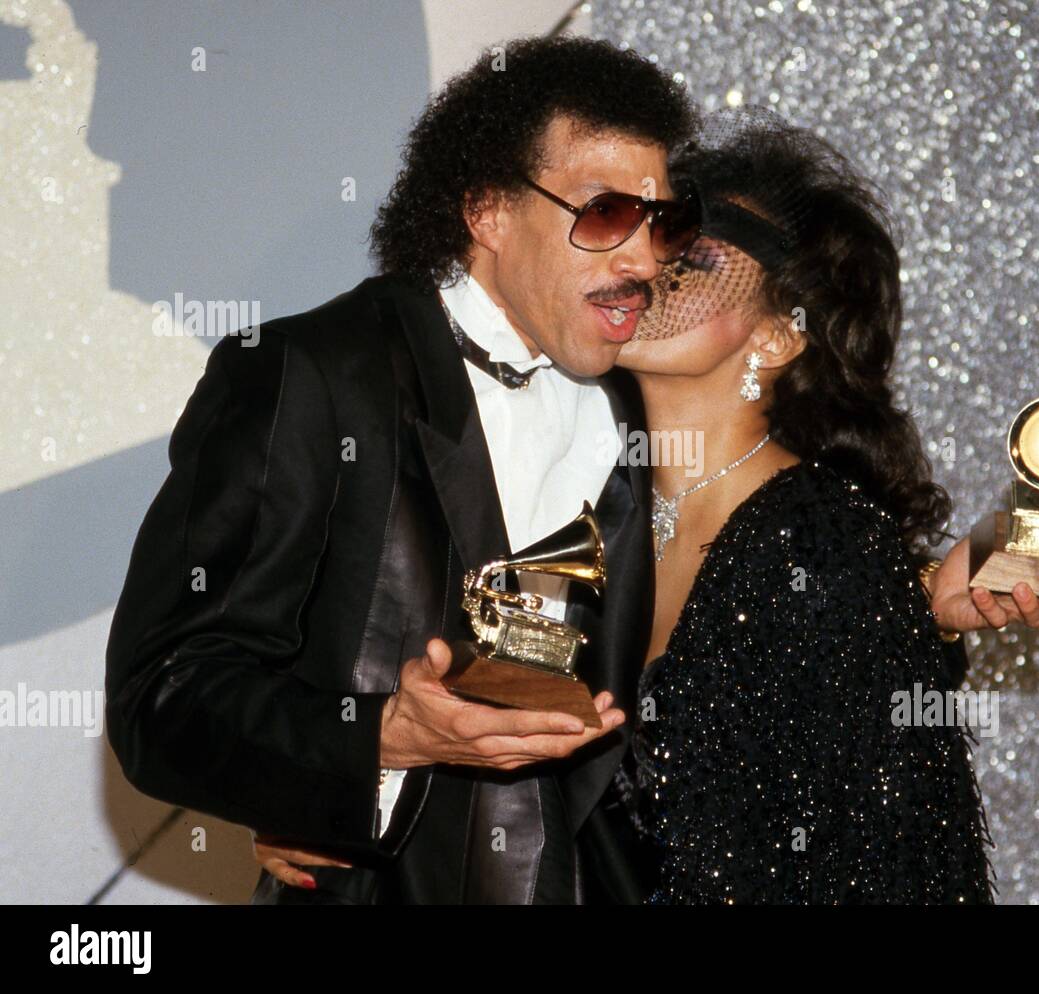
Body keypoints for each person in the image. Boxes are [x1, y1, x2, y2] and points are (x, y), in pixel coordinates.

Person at [105, 35, 700, 905]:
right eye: (605, 215)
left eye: (665, 223)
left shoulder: (626, 402)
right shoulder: (312, 374)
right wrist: (377, 738)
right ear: (489, 210)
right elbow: (165, 701)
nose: (644, 259)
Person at [604, 109, 1039, 903]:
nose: (652, 272)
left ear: (782, 337)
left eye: (698, 259)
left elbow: (903, 866)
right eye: (654, 242)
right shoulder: (585, 509)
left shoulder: (824, 539)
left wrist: (896, 596)